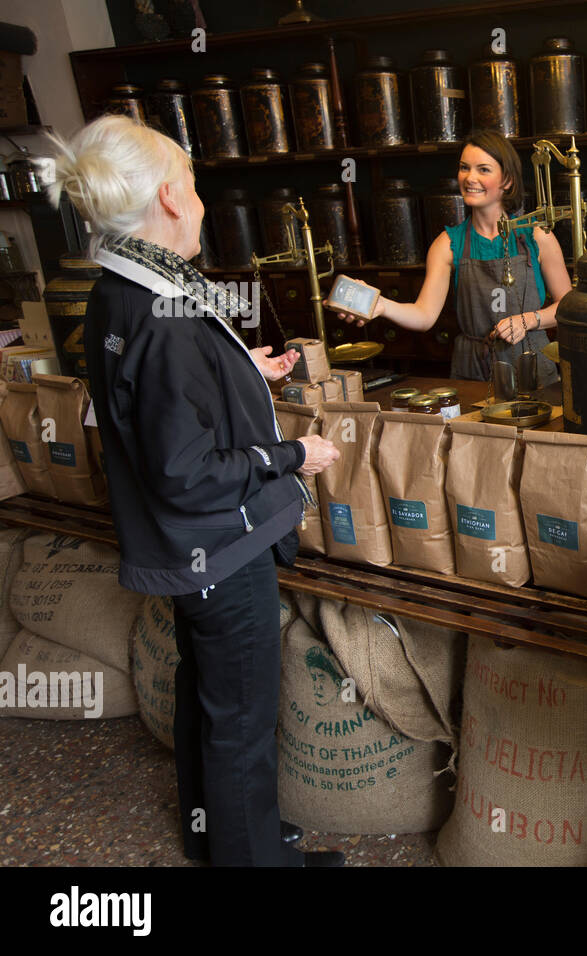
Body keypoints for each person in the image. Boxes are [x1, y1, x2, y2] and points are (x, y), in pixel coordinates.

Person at [48, 114, 344, 866]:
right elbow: (186, 472)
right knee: (241, 715)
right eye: (197, 185)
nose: (204, 201)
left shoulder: (121, 286)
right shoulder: (160, 312)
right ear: (174, 196)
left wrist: (245, 374)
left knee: (207, 692)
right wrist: (292, 454)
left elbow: (164, 405)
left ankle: (212, 834)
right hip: (219, 545)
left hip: (185, 552)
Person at [337, 128, 567, 384]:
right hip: (474, 371)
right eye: (464, 168)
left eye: (483, 169)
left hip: (530, 364)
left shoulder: (537, 237)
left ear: (508, 181)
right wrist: (380, 305)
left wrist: (528, 320)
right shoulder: (447, 244)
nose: (470, 178)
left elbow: (568, 307)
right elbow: (424, 315)